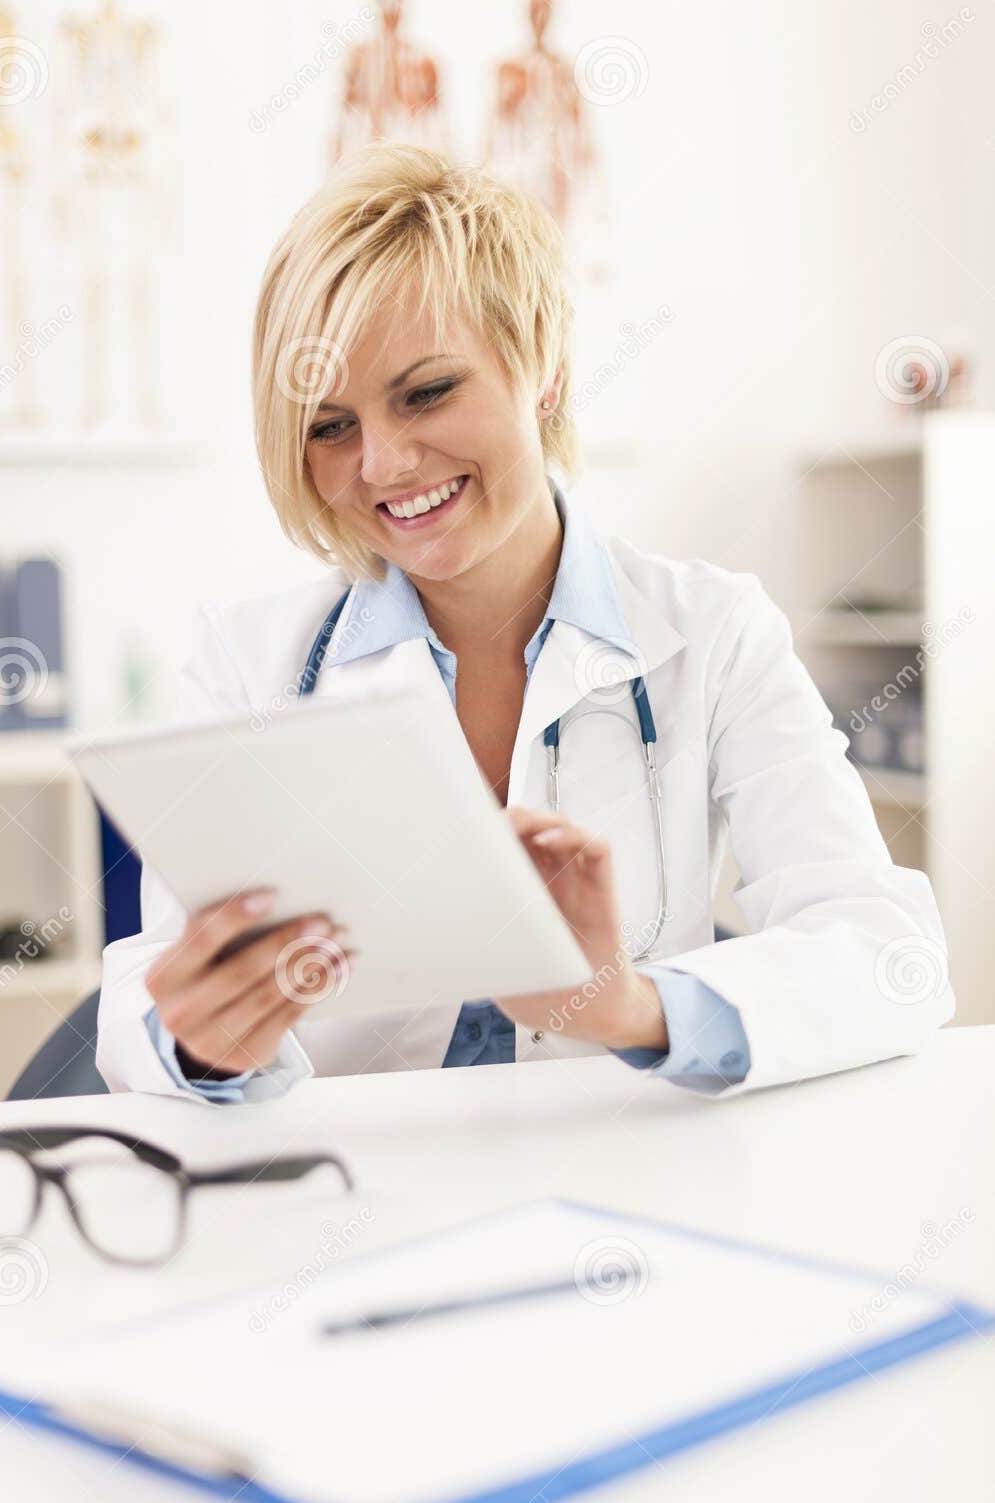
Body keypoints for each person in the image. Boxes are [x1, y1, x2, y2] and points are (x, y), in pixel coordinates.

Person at [96, 142, 953, 1104]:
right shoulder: (250, 661)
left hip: (617, 1168)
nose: (382, 464)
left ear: (543, 369)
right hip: (351, 1170)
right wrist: (202, 1046)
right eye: (330, 426)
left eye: (426, 392)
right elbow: (154, 982)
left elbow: (886, 952)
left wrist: (631, 1009)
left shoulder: (713, 631)